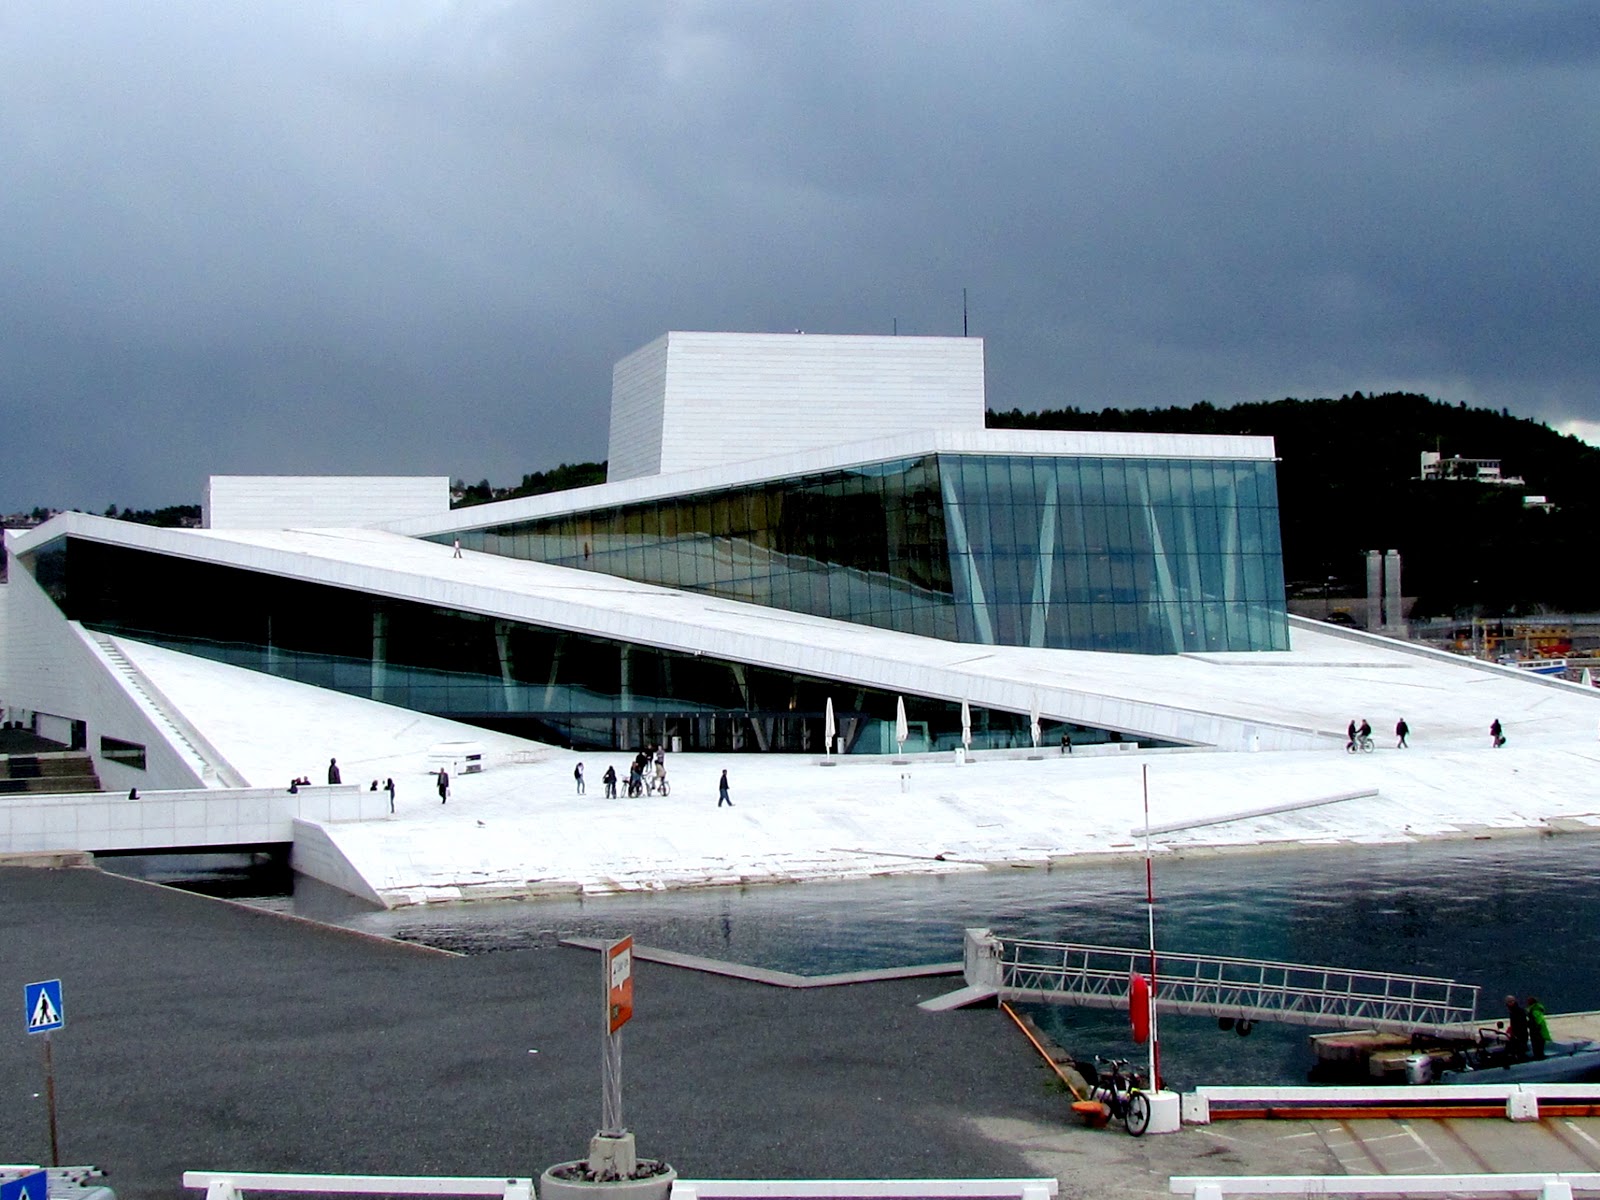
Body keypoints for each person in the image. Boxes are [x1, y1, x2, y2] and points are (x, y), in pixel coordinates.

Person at [1505, 994, 1529, 1061]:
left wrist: (1516, 1033)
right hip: (1520, 1033)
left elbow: (1520, 1024)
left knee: (1520, 1049)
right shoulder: (1515, 1010)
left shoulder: (1516, 1011)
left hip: (1520, 1034)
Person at [1528, 996, 1551, 1060]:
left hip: (1536, 1031)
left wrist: (1534, 1027)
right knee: (1539, 1044)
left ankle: (1539, 1056)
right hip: (1538, 1031)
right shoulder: (1536, 1009)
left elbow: (1539, 1021)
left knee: (1537, 1044)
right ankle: (1540, 1055)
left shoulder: (1534, 1011)